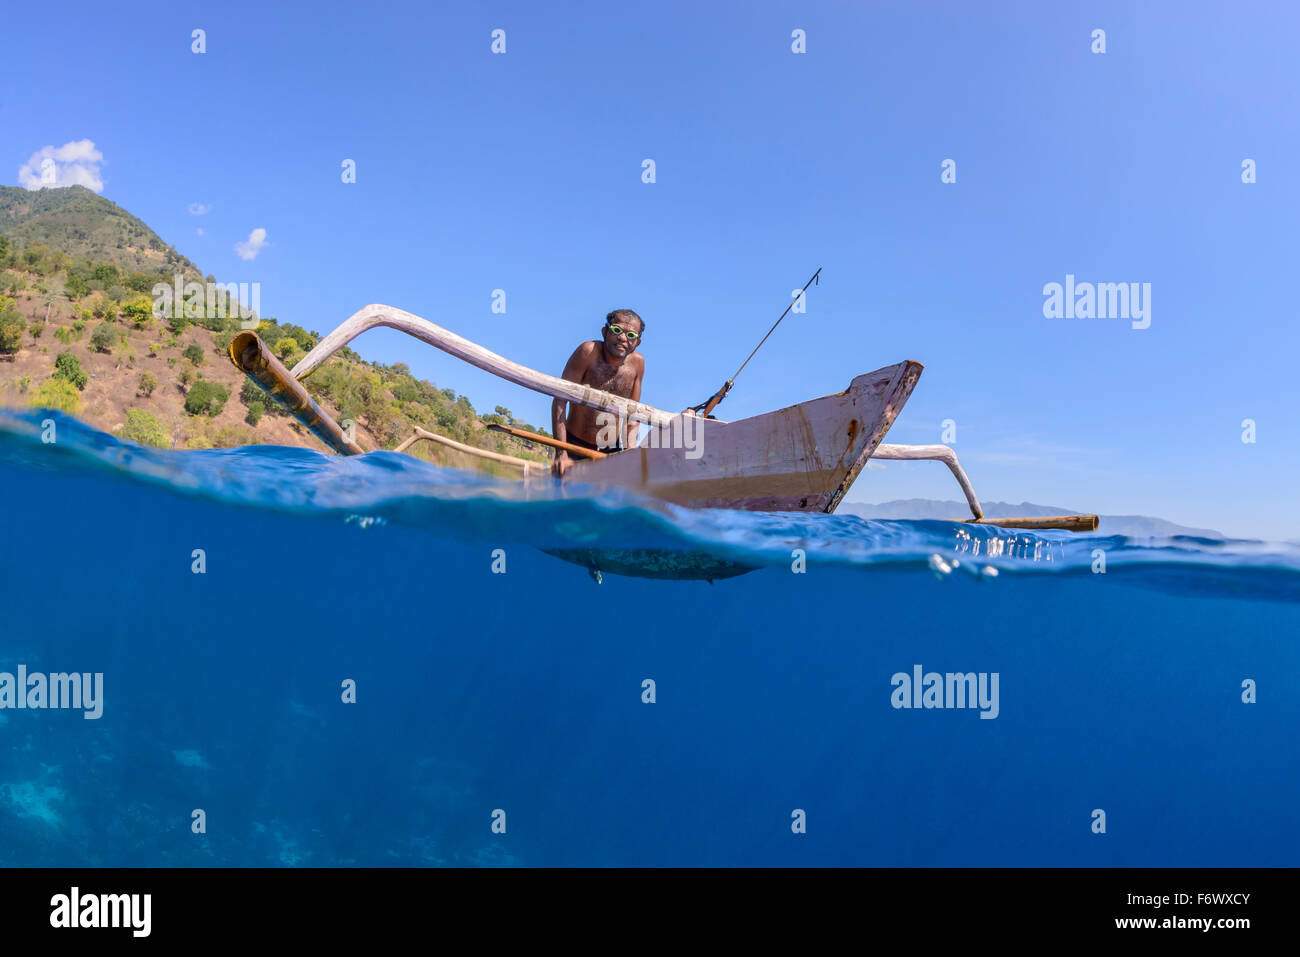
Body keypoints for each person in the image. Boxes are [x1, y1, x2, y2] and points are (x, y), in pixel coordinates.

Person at [552, 310, 645, 478]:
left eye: (630, 335)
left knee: (607, 502)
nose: (623, 338)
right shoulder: (588, 352)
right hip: (573, 445)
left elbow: (633, 415)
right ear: (605, 332)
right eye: (617, 330)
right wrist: (562, 452)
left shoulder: (638, 363)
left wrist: (629, 455)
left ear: (637, 342)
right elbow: (560, 401)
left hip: (611, 452)